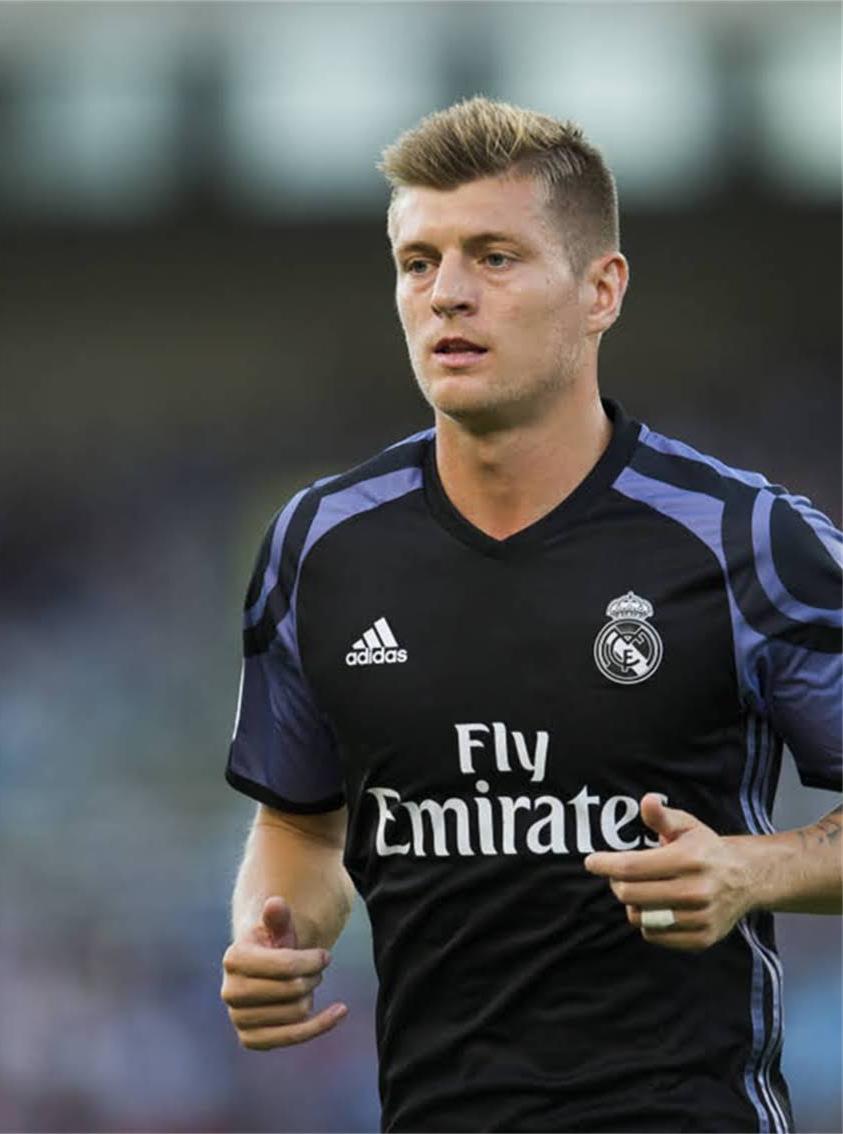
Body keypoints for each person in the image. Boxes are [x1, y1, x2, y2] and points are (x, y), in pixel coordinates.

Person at [220, 97, 842, 1133]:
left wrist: (752, 869)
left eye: (495, 257)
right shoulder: (319, 545)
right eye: (418, 262)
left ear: (602, 290)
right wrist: (274, 929)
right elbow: (300, 823)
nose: (447, 294)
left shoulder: (747, 539)